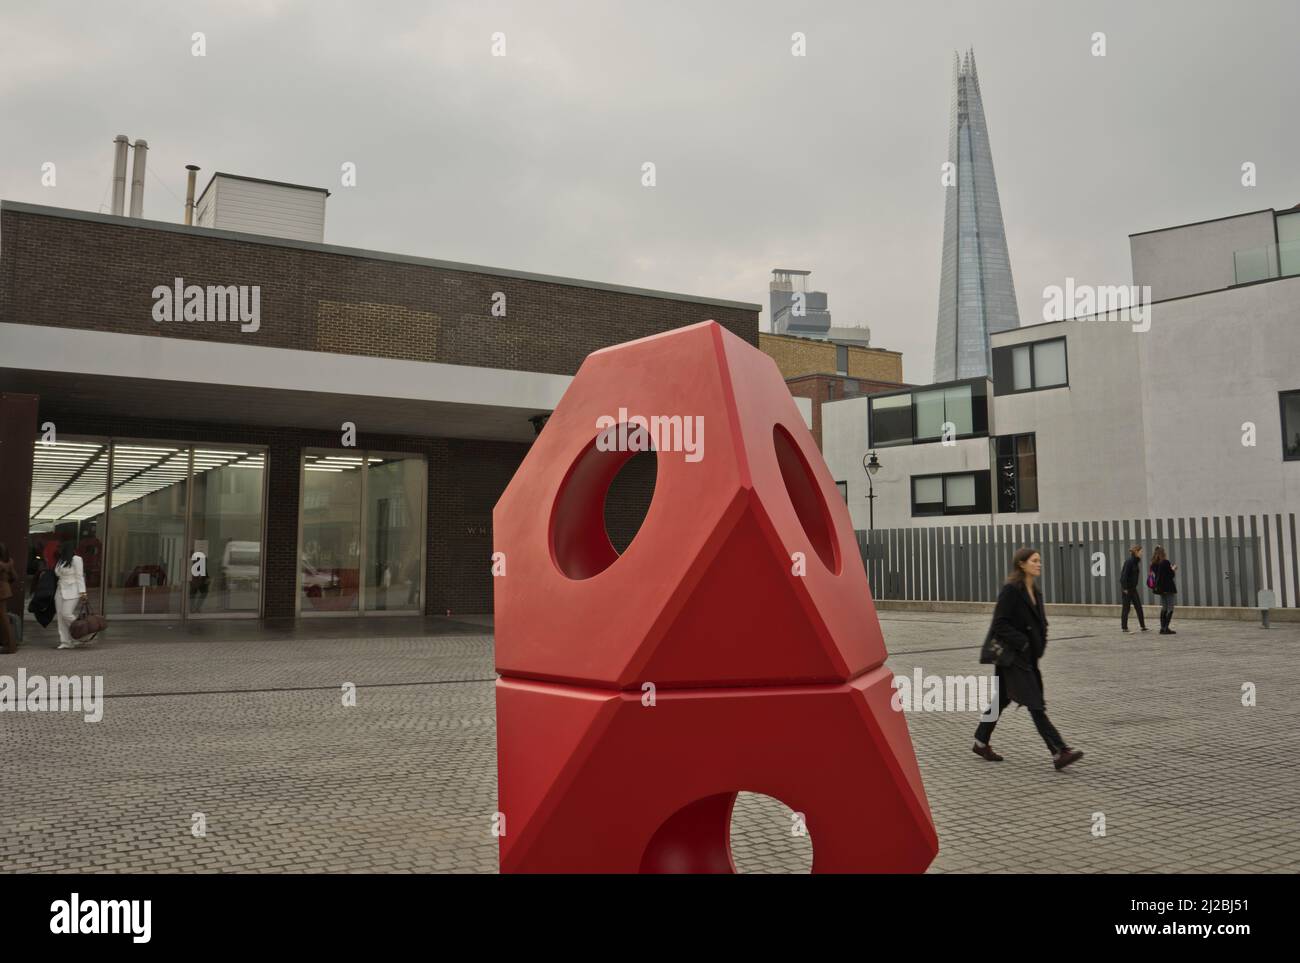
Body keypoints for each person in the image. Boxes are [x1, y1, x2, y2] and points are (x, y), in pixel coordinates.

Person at [973, 547, 1084, 771]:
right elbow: (999, 624)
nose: (1039, 564)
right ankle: (1059, 751)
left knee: (1002, 699)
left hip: (1028, 658)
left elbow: (1040, 623)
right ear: (1022, 564)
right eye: (1034, 561)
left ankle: (980, 741)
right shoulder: (1011, 591)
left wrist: (1040, 642)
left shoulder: (1036, 591)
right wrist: (1022, 642)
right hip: (1013, 658)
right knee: (1035, 704)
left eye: (1039, 560)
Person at [52, 540, 88, 650]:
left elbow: (79, 576)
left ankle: (83, 630)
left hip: (73, 590)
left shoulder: (76, 559)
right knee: (60, 616)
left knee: (66, 613)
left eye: (60, 548)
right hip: (60, 590)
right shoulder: (61, 561)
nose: (58, 550)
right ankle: (66, 641)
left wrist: (83, 592)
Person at [1119, 544, 1148, 632]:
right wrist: (1124, 588)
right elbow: (1123, 576)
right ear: (1136, 552)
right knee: (1126, 608)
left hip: (1133, 589)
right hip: (1127, 589)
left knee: (1138, 607)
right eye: (1141, 552)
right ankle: (1124, 627)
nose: (1142, 553)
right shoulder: (1129, 562)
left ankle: (1143, 626)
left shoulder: (1135, 562)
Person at [1151, 545, 1178, 634]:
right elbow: (1171, 575)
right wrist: (1173, 569)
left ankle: (1162, 627)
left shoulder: (1154, 564)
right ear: (1163, 553)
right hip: (1169, 587)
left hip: (1161, 588)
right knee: (1170, 607)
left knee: (1164, 607)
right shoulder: (1165, 562)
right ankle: (1166, 628)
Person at [0, 543, 17, 654]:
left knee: (4, 618)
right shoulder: (9, 561)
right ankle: (9, 644)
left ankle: (10, 646)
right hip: (5, 589)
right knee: (4, 618)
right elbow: (14, 577)